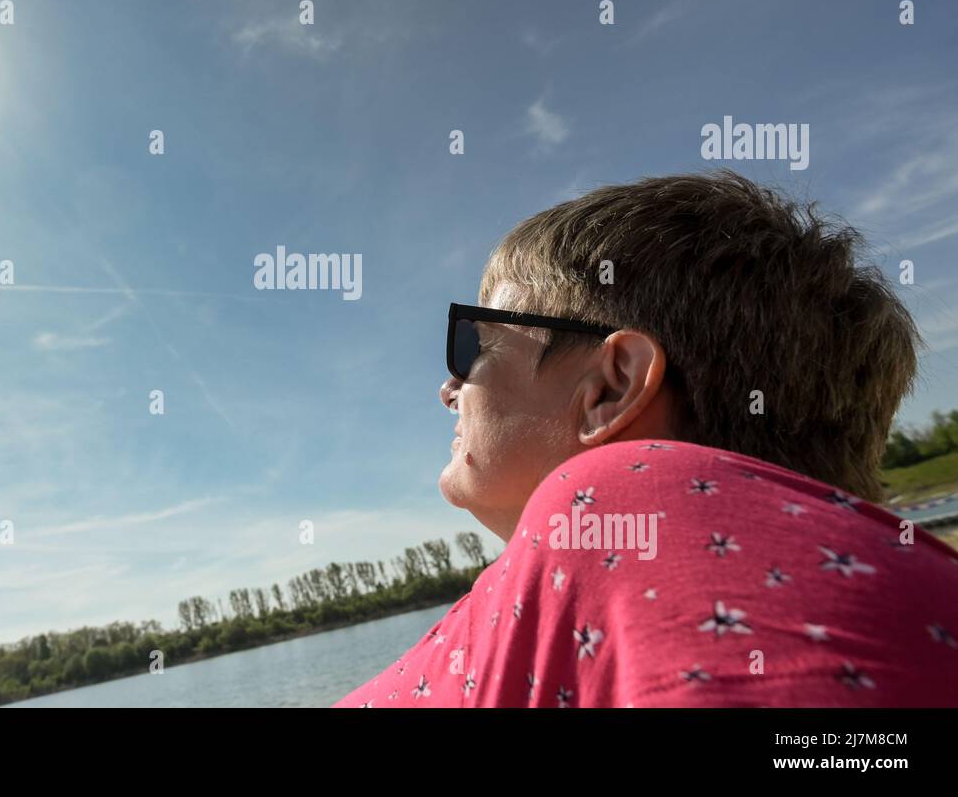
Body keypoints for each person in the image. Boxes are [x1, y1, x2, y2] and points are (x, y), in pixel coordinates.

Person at [333, 169, 958, 707]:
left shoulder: (605, 508)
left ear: (611, 386)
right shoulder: (572, 590)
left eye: (476, 344)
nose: (449, 387)